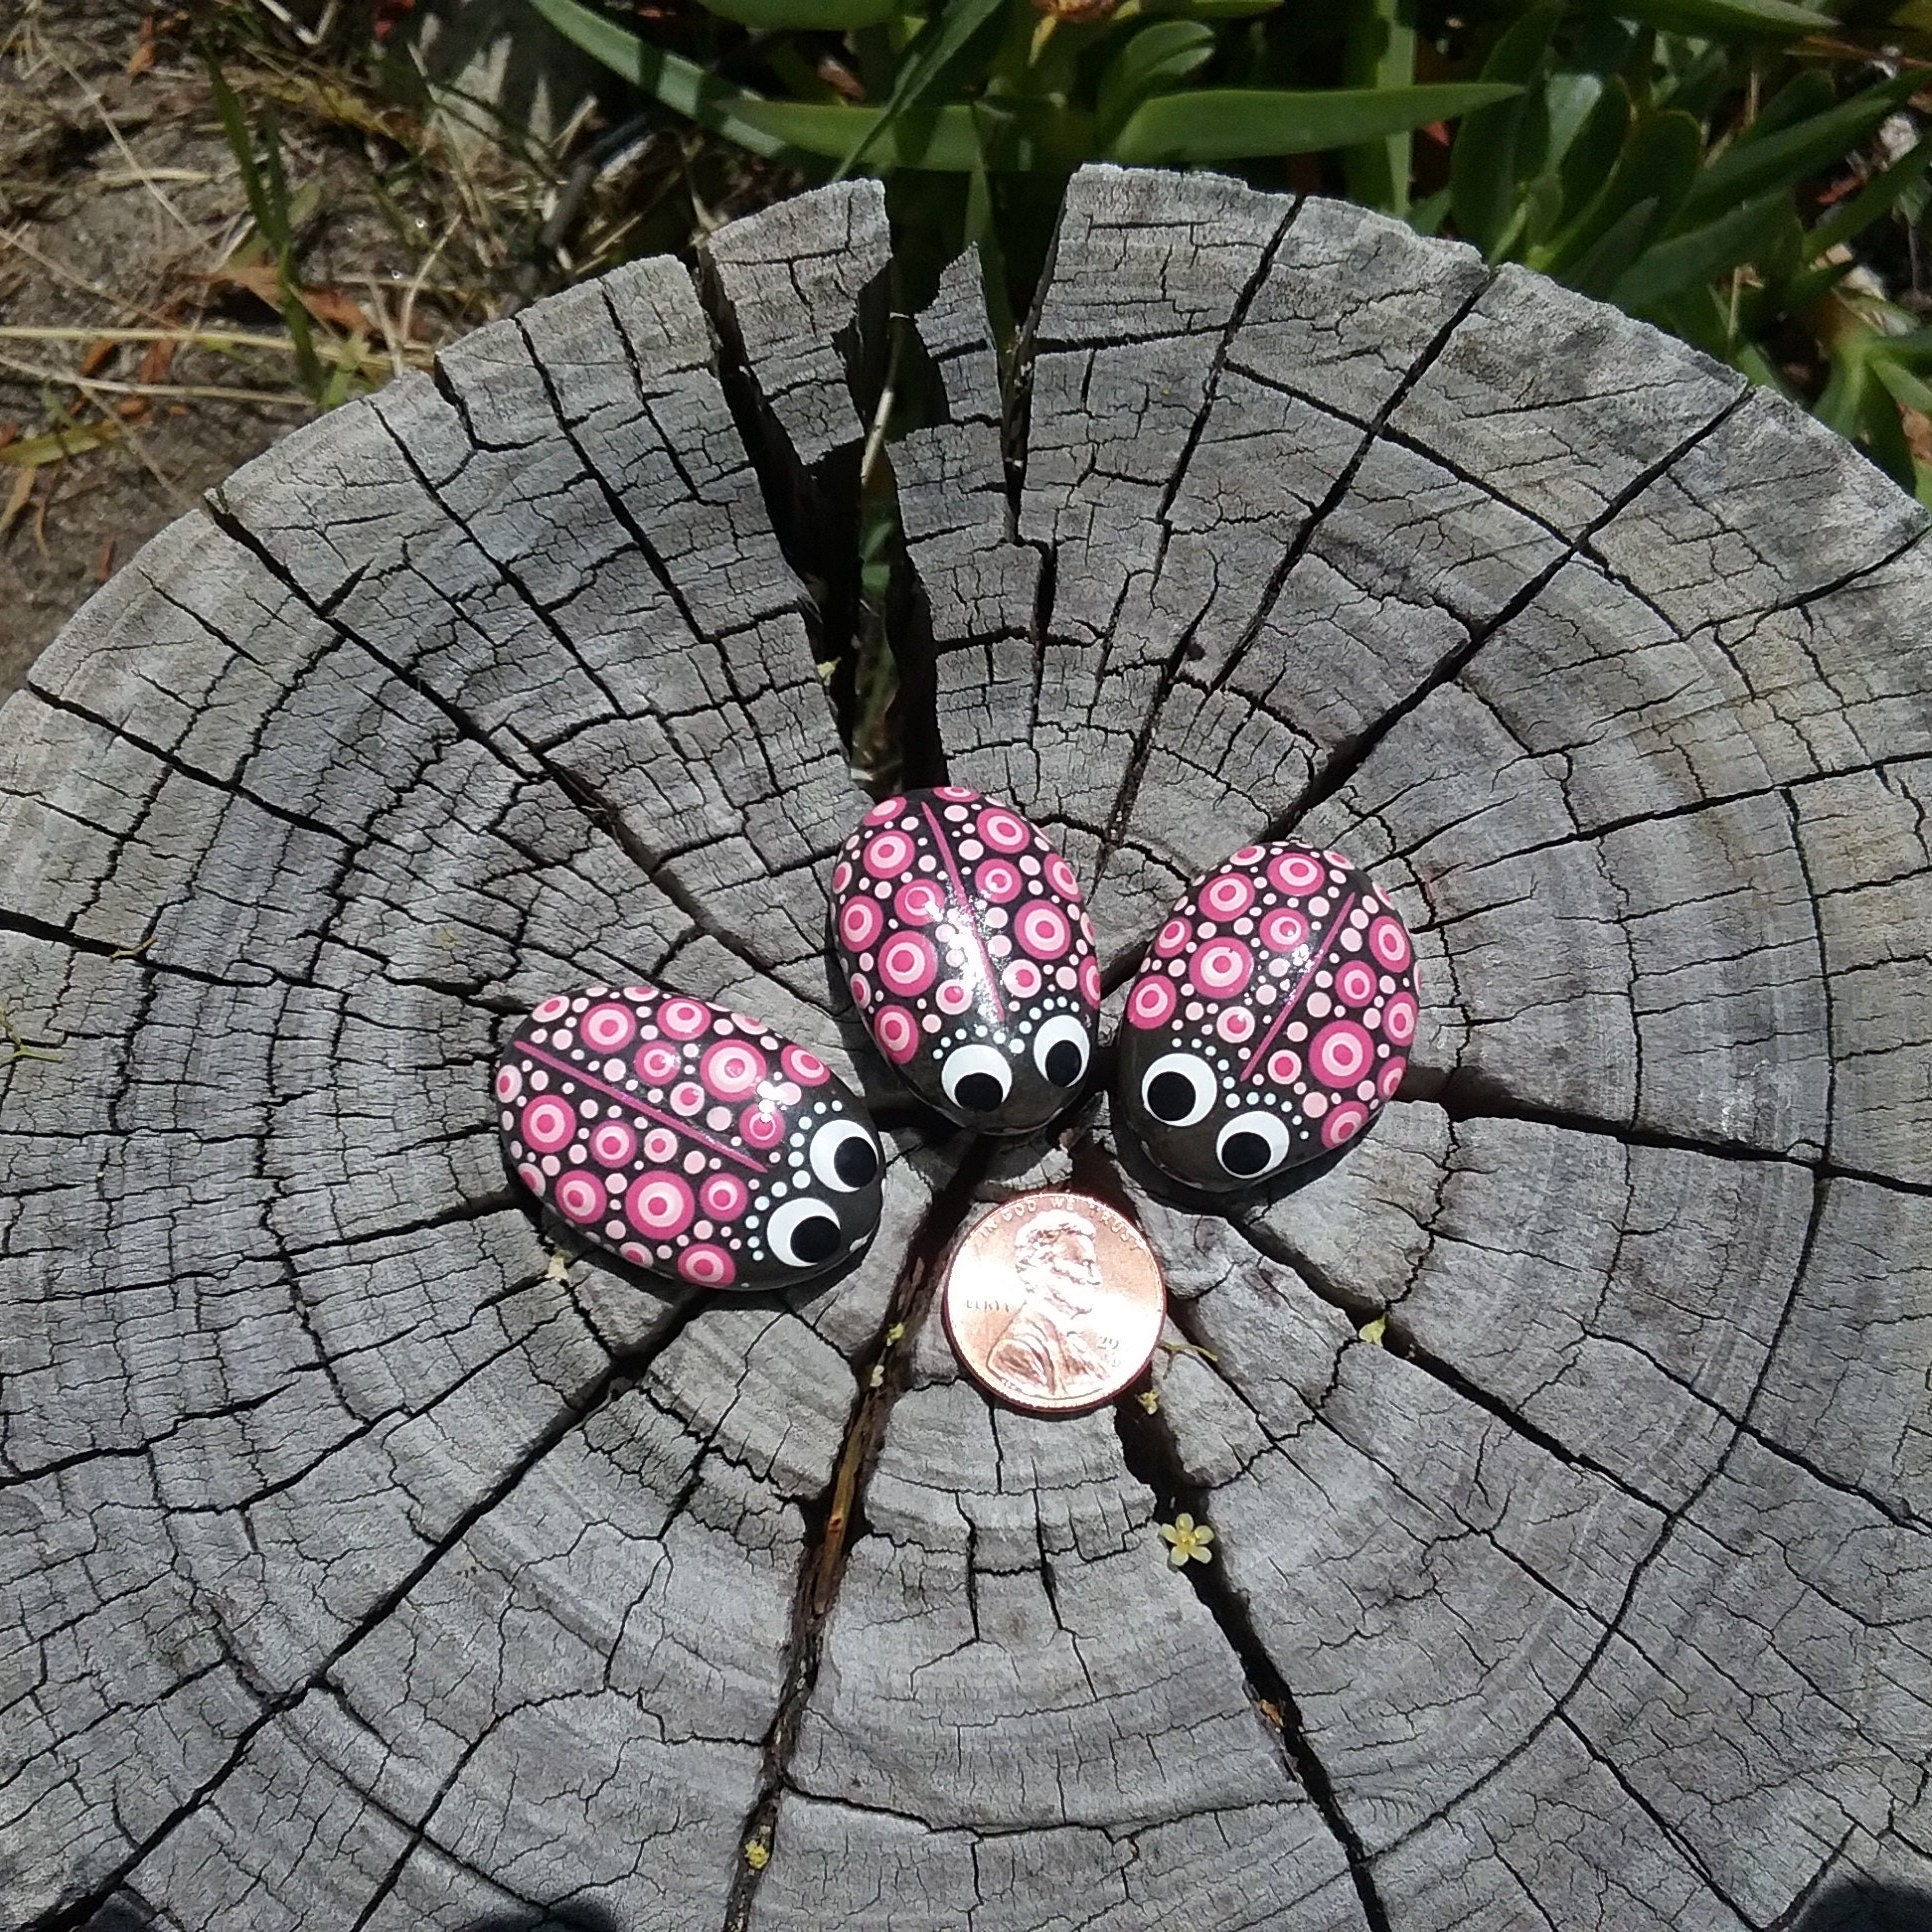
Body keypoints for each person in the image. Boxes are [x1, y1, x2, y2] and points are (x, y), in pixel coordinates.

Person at [985, 1207, 1117, 1399]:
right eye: (1083, 1264)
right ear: (1038, 1266)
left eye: (1093, 1265)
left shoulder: (1077, 1344)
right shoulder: (1016, 1350)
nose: (1095, 1278)